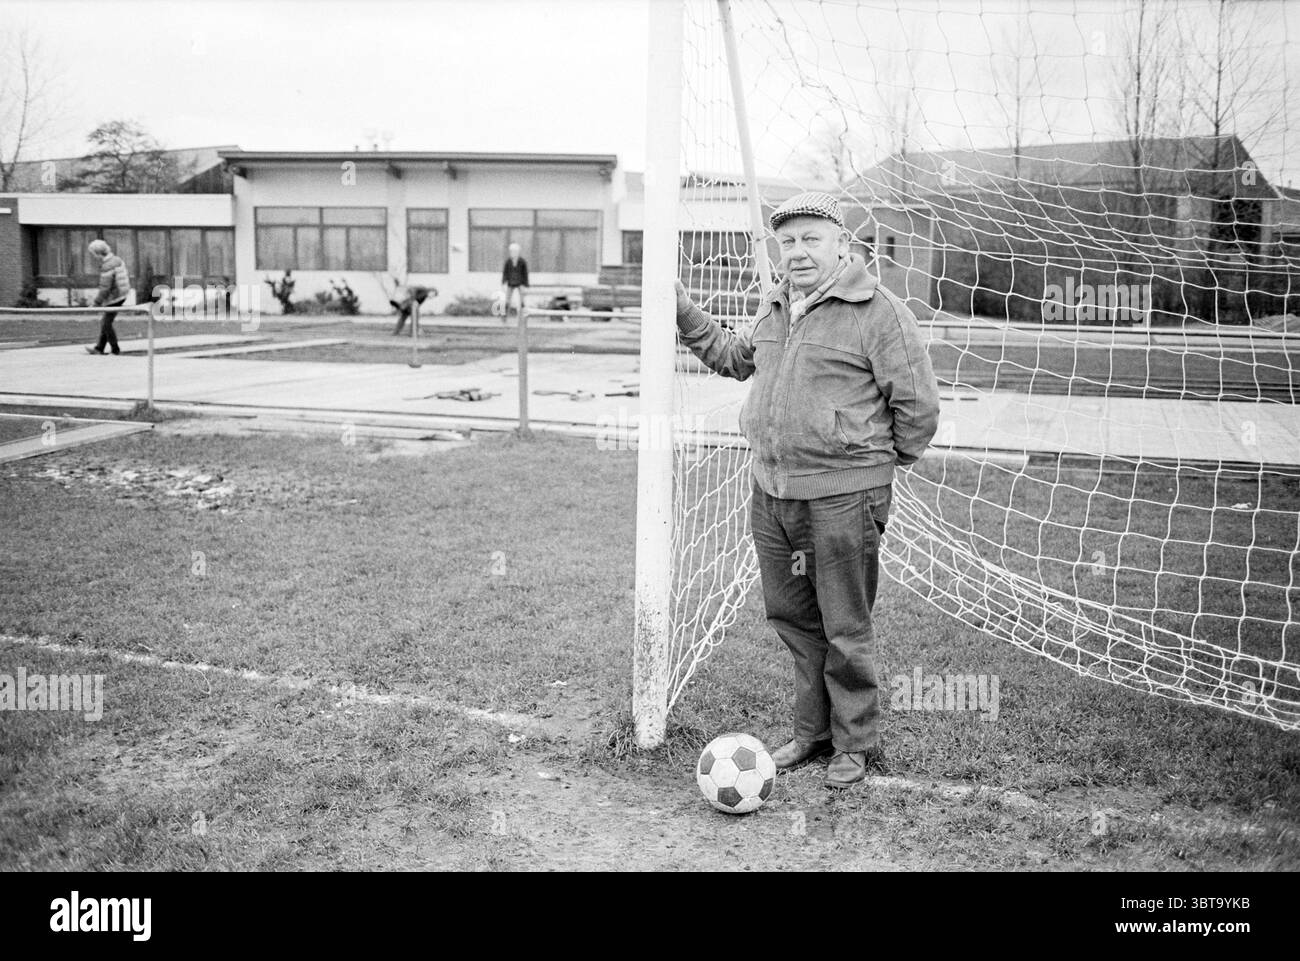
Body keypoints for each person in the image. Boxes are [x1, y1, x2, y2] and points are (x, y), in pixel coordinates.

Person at [673, 191, 941, 788]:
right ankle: (812, 734)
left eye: (810, 239)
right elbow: (732, 357)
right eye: (787, 241)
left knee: (845, 623)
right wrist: (683, 311)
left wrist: (869, 465)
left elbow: (917, 406)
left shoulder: (879, 311)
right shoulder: (775, 308)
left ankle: (854, 743)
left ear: (842, 245)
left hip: (845, 495)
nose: (797, 251)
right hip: (773, 492)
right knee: (794, 619)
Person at [85, 239, 131, 355]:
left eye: (93, 254)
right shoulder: (117, 259)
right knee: (105, 322)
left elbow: (105, 289)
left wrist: (96, 304)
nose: (94, 257)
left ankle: (115, 350)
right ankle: (99, 348)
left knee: (106, 323)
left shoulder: (107, 266)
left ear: (98, 253)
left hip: (114, 298)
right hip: (122, 294)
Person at [500, 242, 529, 322]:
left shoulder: (522, 262)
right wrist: (503, 283)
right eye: (512, 251)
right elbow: (505, 273)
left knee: (522, 301)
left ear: (518, 252)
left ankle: (524, 317)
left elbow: (525, 274)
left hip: (520, 283)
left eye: (515, 251)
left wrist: (525, 285)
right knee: (507, 301)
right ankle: (504, 317)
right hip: (510, 282)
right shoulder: (508, 262)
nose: (513, 253)